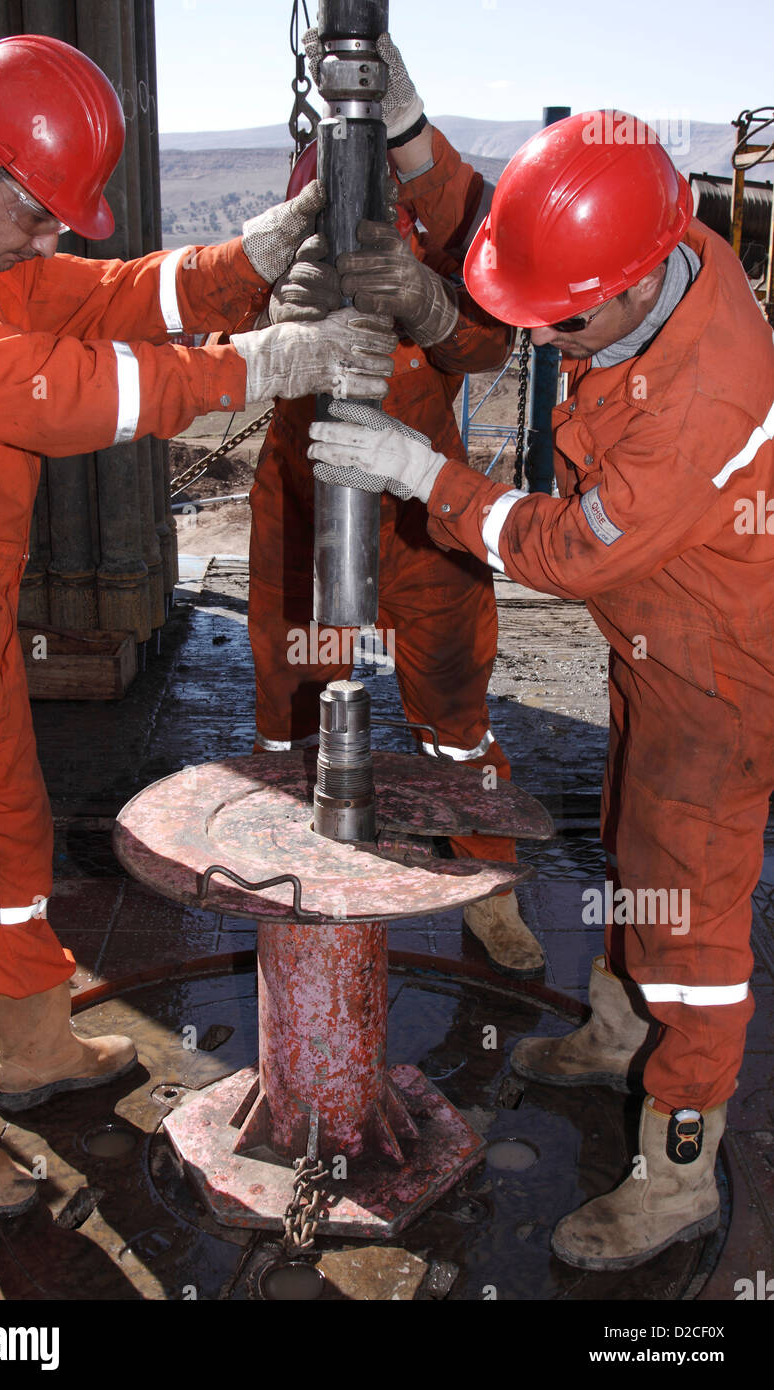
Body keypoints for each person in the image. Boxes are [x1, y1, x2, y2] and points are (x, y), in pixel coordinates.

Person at [0, 33, 395, 1219]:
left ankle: (30, 1045)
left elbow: (117, 296)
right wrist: (260, 364)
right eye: (38, 211)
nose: (54, 237)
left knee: (6, 843)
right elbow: (62, 390)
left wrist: (255, 258)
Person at [307, 109, 774, 1270]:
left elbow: (567, 551)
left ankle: (674, 1174)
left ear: (622, 291)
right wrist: (407, 132)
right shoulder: (653, 243)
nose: (545, 342)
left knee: (691, 928)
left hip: (717, 680)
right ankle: (618, 1028)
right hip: (657, 643)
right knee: (630, 844)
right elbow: (505, 237)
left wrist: (423, 474)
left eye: (562, 323)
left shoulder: (699, 399)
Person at [250, 30, 543, 974]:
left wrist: (428, 304)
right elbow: (209, 339)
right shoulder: (287, 256)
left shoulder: (442, 238)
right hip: (303, 506)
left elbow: (492, 346)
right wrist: (271, 319)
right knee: (291, 701)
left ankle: (484, 884)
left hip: (422, 505)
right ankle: (291, 875)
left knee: (455, 711)